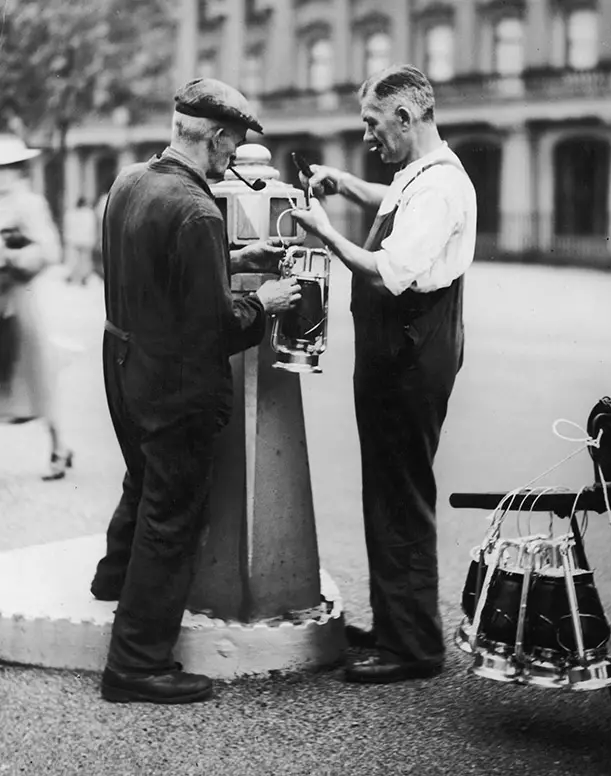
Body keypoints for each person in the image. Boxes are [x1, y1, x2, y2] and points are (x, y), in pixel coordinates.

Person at [89, 78, 302, 704]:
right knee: (172, 515)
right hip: (176, 383)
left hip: (124, 362)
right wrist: (262, 301)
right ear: (213, 137)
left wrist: (231, 256)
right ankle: (136, 665)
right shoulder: (199, 209)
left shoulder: (131, 181)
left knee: (142, 476)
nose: (234, 158)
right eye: (232, 147)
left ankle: (112, 578)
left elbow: (155, 266)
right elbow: (214, 326)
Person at [291, 64, 477, 684]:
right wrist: (347, 184)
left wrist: (324, 232)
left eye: (373, 123)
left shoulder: (439, 188)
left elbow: (389, 270)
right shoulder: (419, 175)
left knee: (400, 494)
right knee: (389, 490)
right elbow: (393, 200)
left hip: (408, 351)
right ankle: (399, 626)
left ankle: (415, 646)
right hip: (402, 348)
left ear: (406, 117)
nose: (368, 135)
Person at [0, 134, 73, 480]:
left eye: (8, 167)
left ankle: (59, 446)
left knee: (36, 376)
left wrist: (12, 256)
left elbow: (49, 249)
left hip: (18, 297)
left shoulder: (28, 203)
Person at [64, 196, 97, 285]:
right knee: (85, 259)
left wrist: (68, 238)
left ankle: (73, 276)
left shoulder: (72, 213)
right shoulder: (89, 213)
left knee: (75, 259)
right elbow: (91, 227)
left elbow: (69, 227)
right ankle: (84, 277)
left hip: (75, 239)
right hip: (86, 240)